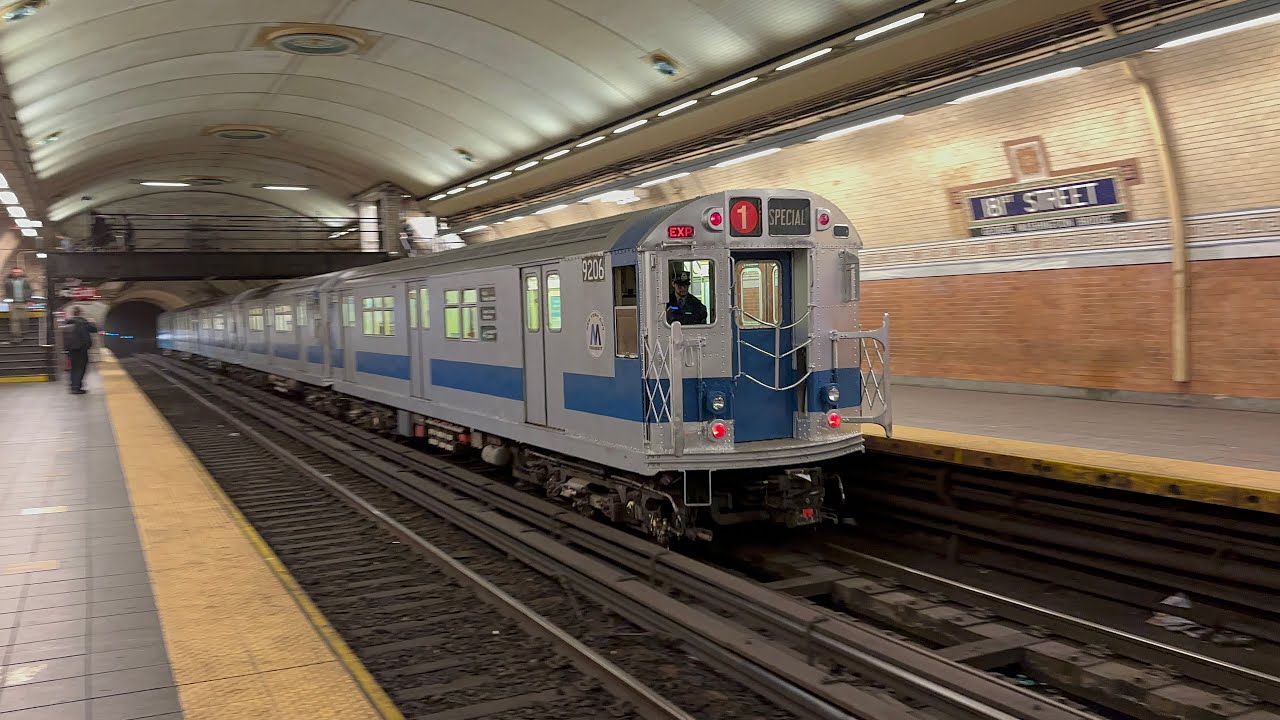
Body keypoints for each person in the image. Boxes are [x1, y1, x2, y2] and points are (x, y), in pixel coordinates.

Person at [63, 306, 98, 395]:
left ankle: (73, 386)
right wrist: (93, 322)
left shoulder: (67, 323)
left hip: (71, 349)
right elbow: (94, 329)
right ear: (80, 313)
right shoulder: (83, 322)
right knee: (81, 368)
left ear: (73, 313)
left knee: (73, 368)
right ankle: (77, 387)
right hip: (81, 349)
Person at [4, 267, 32, 342]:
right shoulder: (8, 282)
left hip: (24, 303)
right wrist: (9, 303)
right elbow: (7, 293)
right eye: (14, 272)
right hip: (13, 303)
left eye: (18, 272)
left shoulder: (26, 281)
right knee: (14, 320)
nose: (16, 274)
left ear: (22, 273)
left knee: (24, 319)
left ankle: (24, 333)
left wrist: (29, 300)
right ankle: (16, 336)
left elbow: (29, 291)